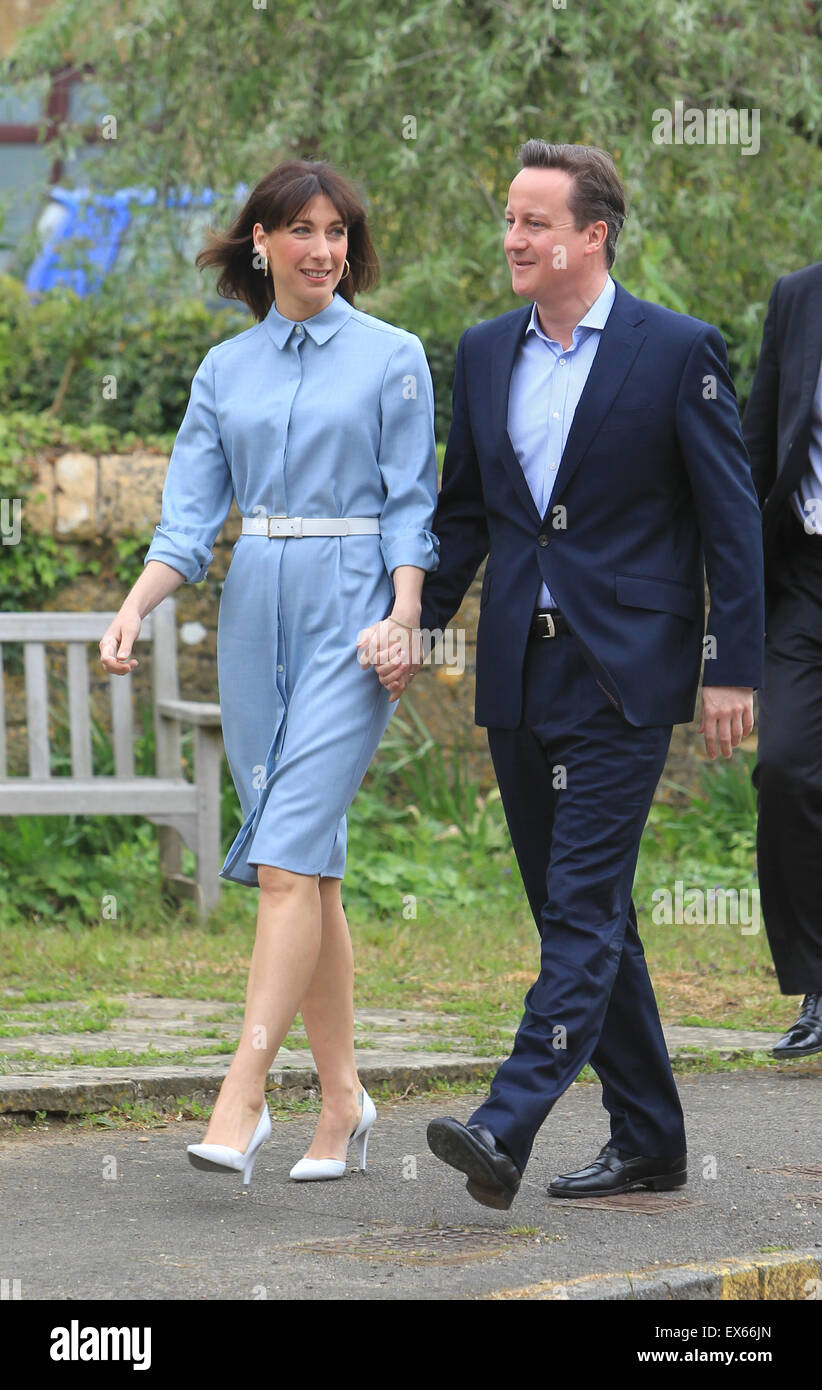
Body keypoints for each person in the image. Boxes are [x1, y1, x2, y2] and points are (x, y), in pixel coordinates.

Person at [363, 140, 764, 1208]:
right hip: (518, 676)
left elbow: (734, 528)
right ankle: (652, 1139)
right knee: (581, 915)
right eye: (509, 217)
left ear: (593, 234)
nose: (512, 237)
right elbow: (462, 520)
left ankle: (507, 1118)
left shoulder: (678, 350)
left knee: (582, 908)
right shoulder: (486, 351)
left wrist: (735, 667)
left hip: (626, 674)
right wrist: (412, 624)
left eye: (535, 221)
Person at [99, 159, 439, 1189]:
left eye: (338, 231)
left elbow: (411, 503)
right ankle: (342, 1100)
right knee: (311, 868)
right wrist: (134, 603)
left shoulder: (394, 356)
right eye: (302, 229)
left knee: (285, 862)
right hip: (255, 608)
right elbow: (191, 525)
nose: (323, 249)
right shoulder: (223, 371)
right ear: (262, 242)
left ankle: (242, 1094)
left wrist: (406, 614)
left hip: (354, 619)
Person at [743, 260, 822, 1059]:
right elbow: (760, 438)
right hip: (802, 573)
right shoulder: (799, 295)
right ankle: (816, 980)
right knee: (789, 769)